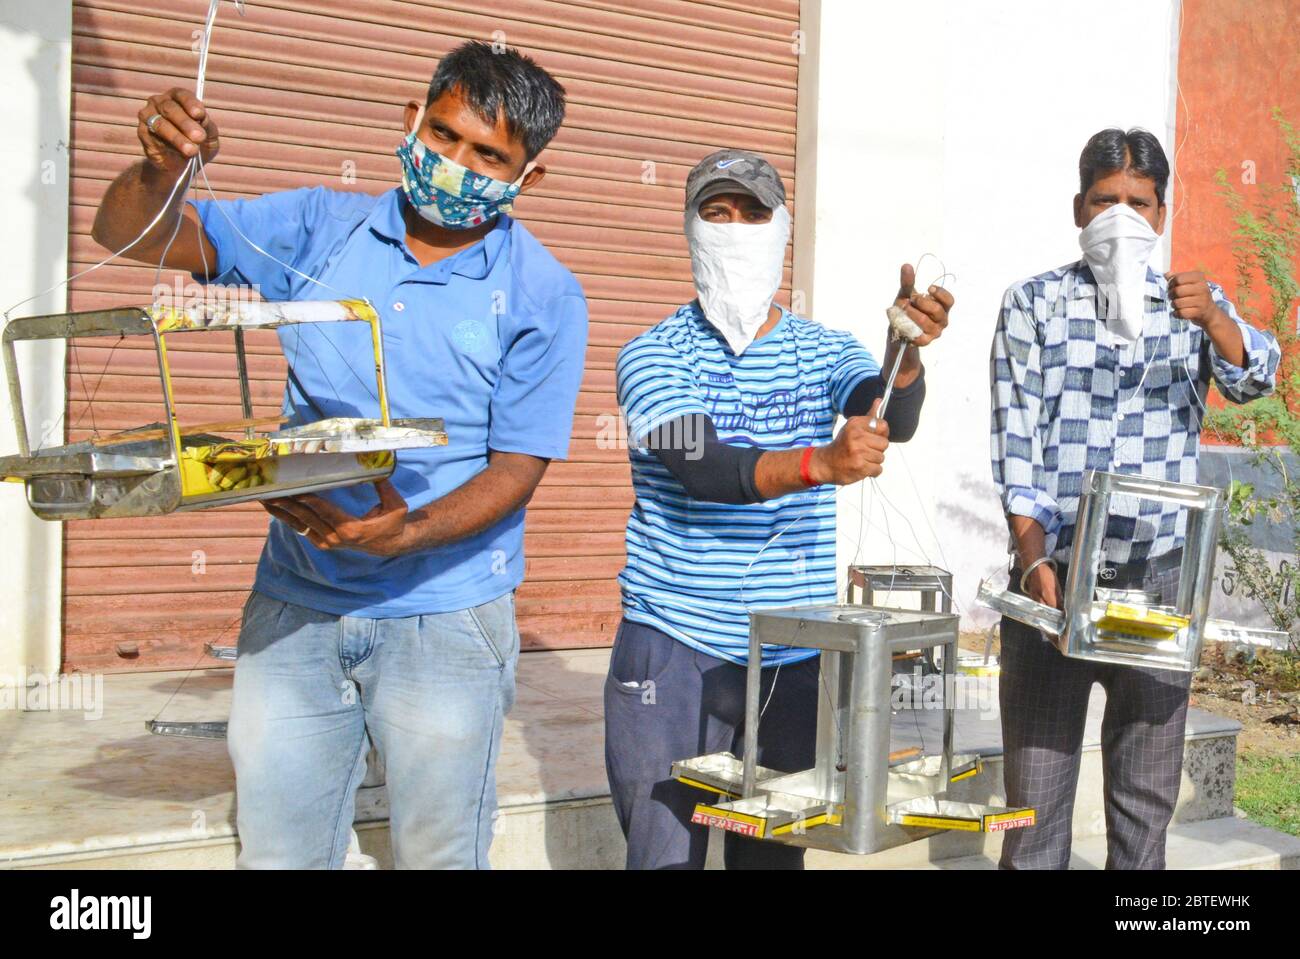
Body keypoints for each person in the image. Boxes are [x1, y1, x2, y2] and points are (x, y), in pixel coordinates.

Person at [91, 41, 588, 869]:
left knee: (438, 854)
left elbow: (516, 468)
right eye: (444, 134)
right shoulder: (320, 227)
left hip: (448, 616)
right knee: (280, 855)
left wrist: (405, 534)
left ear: (525, 178)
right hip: (297, 602)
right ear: (410, 120)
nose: (455, 163)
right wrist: (161, 169)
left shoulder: (543, 291)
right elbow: (129, 234)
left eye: (487, 155)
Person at [604, 148, 953, 869]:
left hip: (792, 653)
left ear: (782, 229)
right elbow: (700, 465)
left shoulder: (824, 349)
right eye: (717, 213)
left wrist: (906, 356)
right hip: (674, 643)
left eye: (754, 213)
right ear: (691, 231)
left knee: (772, 858)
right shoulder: (650, 355)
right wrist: (820, 463)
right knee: (664, 853)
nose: (737, 230)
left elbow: (890, 412)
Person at [989, 127, 1281, 870]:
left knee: (1144, 810)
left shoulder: (1188, 308)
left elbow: (1258, 378)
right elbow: (1015, 443)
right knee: (1034, 812)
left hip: (1156, 582)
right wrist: (1032, 562)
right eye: (1104, 201)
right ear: (1078, 209)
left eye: (1138, 203)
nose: (1121, 216)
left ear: (1161, 214)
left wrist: (1215, 314)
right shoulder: (1034, 304)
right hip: (1052, 576)